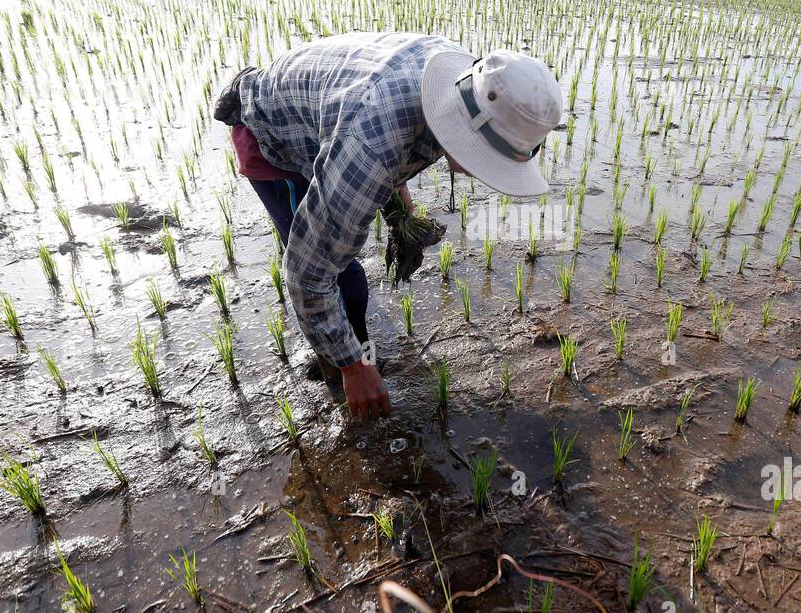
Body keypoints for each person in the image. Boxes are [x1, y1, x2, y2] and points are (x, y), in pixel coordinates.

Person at [214, 32, 562, 421]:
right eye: (485, 156)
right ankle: (342, 380)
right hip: (273, 142)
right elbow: (306, 275)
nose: (479, 170)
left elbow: (400, 136)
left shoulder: (475, 83)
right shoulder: (367, 145)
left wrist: (400, 211)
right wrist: (352, 367)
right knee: (340, 277)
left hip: (343, 122)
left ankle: (354, 355)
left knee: (345, 274)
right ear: (464, 128)